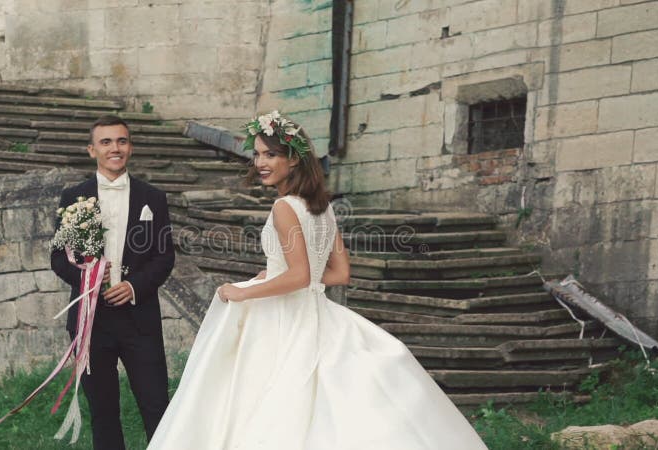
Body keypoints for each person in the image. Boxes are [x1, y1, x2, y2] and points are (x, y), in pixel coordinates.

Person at [147, 111, 487, 449]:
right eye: (258, 154)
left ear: (293, 159)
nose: (261, 162)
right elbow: (339, 274)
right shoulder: (323, 207)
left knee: (263, 401)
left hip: (285, 318)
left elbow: (300, 275)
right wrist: (280, 275)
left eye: (271, 154)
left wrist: (243, 291)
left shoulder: (284, 207)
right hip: (317, 312)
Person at [50, 115, 175, 450]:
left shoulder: (153, 198)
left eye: (121, 141)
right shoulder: (73, 198)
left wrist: (135, 287)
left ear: (130, 147)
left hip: (139, 320)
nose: (114, 148)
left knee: (156, 407)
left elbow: (165, 257)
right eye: (106, 142)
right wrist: (87, 278)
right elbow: (59, 258)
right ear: (92, 150)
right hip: (92, 323)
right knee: (103, 412)